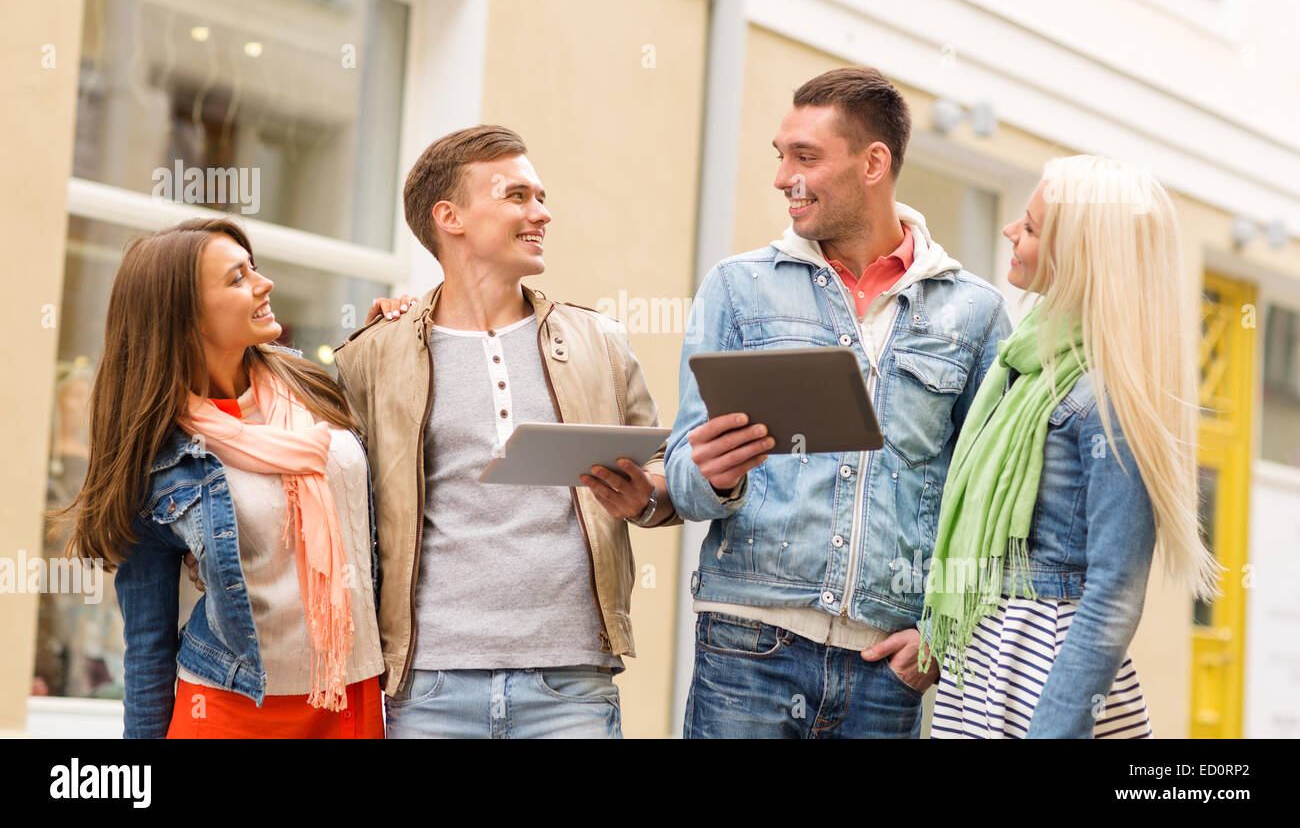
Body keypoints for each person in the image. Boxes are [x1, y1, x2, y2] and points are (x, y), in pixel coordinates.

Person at [665, 66, 1010, 738]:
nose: (782, 176)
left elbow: (987, 498)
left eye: (805, 156)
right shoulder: (737, 288)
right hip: (747, 647)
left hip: (886, 671)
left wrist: (944, 630)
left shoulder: (974, 312)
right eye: (781, 155)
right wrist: (711, 474)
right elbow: (682, 473)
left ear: (873, 162)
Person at [331, 124, 679, 739]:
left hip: (571, 682)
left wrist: (648, 499)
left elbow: (666, 471)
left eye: (541, 197)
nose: (541, 213)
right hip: (427, 685)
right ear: (450, 217)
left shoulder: (599, 341)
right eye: (517, 196)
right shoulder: (372, 357)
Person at [61, 217, 403, 738]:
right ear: (183, 316)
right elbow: (149, 645)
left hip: (351, 697)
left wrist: (394, 337)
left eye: (254, 269)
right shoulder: (159, 455)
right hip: (233, 711)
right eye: (237, 278)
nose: (263, 284)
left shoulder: (311, 384)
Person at [920, 155, 1220, 738]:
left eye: (1031, 228)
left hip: (1045, 681)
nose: (1011, 231)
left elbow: (1113, 593)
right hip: (988, 669)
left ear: (1080, 256)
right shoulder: (1028, 364)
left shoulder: (1107, 396)